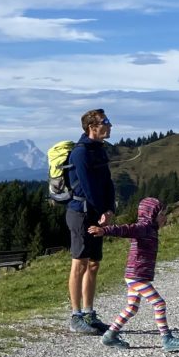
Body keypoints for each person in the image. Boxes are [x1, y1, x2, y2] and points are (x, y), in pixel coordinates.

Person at [88, 197, 179, 350]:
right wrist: (105, 230)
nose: (165, 217)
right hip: (136, 276)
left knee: (131, 308)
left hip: (135, 275)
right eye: (161, 214)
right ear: (151, 214)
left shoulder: (151, 230)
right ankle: (166, 338)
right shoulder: (144, 227)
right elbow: (126, 229)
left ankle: (110, 336)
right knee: (159, 303)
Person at [66, 108, 115, 334]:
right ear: (92, 127)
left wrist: (110, 209)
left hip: (96, 212)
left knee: (94, 263)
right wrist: (101, 211)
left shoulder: (99, 151)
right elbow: (88, 187)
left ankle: (89, 313)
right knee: (80, 262)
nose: (110, 126)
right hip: (80, 213)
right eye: (106, 122)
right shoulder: (80, 153)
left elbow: (107, 183)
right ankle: (75, 316)